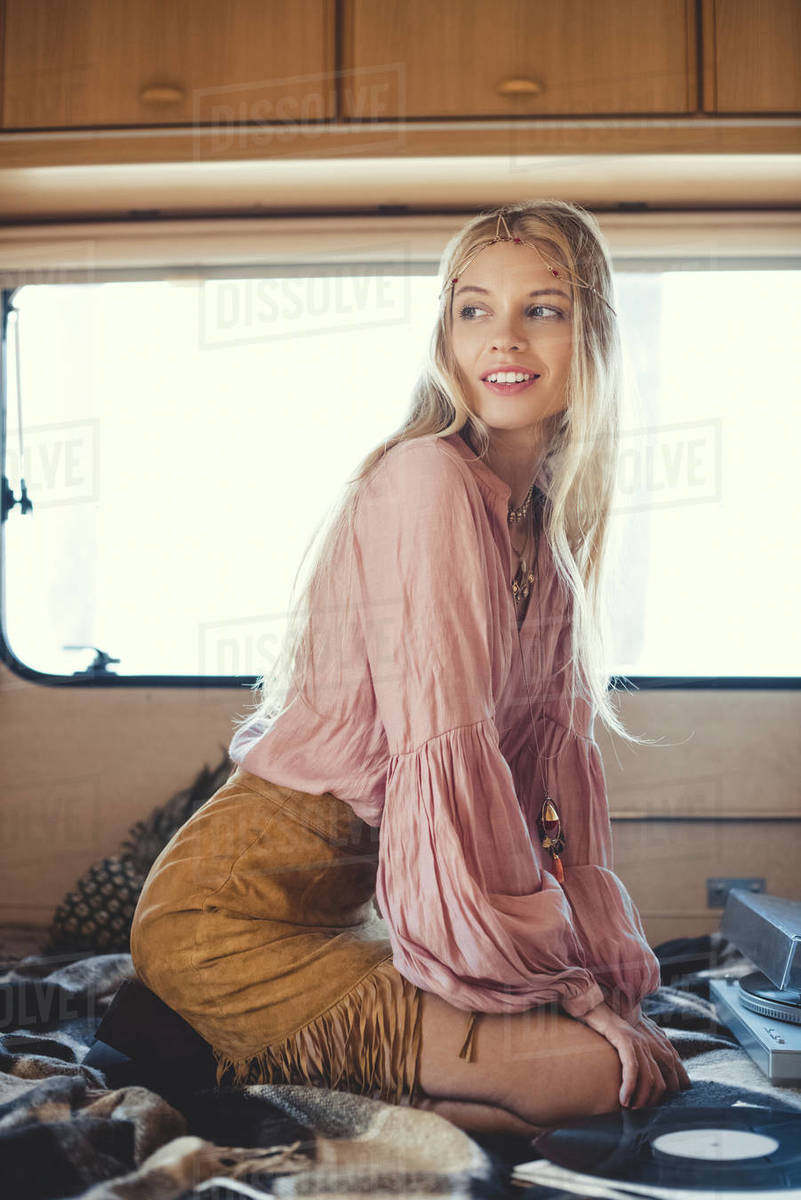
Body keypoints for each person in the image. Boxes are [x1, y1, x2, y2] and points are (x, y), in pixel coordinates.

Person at [130, 201, 691, 1136]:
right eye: (473, 310)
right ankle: (243, 1063)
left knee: (638, 1063)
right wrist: (557, 994)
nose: (502, 339)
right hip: (230, 923)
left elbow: (535, 810)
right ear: (444, 332)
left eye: (541, 310)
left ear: (589, 331)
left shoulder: (545, 545)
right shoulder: (424, 480)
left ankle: (300, 1087)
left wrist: (588, 977)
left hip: (365, 922)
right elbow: (448, 777)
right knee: (596, 1078)